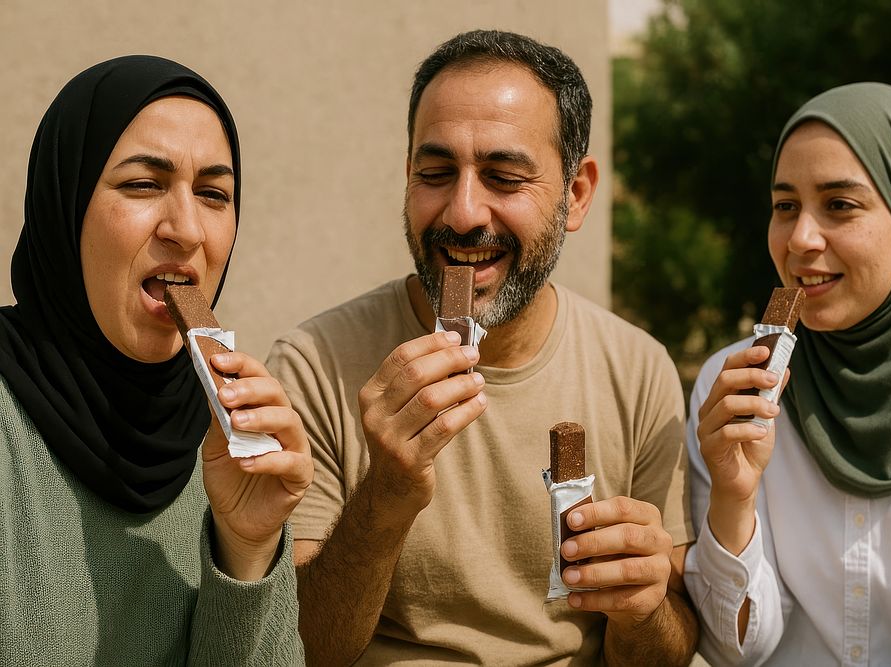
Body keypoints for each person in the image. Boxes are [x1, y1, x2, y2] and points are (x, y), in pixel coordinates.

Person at [267, 29, 697, 665]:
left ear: (575, 195)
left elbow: (666, 654)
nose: (464, 212)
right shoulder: (315, 363)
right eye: (436, 174)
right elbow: (296, 649)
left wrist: (643, 609)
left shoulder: (637, 371)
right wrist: (385, 495)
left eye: (503, 176)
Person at [0, 56, 312, 664]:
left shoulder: (232, 444)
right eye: (143, 185)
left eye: (214, 194)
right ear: (64, 204)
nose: (187, 229)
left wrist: (247, 550)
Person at [684, 82, 891, 665]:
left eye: (840, 205)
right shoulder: (734, 388)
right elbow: (736, 653)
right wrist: (733, 498)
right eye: (785, 206)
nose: (800, 238)